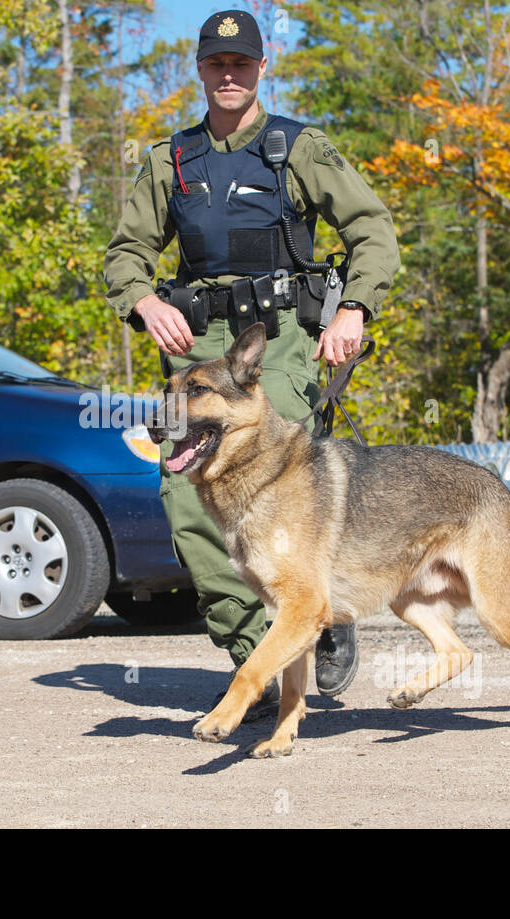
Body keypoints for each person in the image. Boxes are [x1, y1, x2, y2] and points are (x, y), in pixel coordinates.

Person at [104, 9, 400, 718]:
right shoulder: (169, 160)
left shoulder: (297, 148)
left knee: (287, 497)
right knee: (189, 505)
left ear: (262, 67)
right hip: (201, 353)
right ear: (201, 70)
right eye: (217, 64)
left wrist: (354, 308)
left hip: (281, 345)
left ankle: (323, 615)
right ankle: (256, 661)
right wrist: (144, 301)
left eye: (242, 64)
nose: (229, 75)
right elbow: (124, 254)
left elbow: (372, 227)